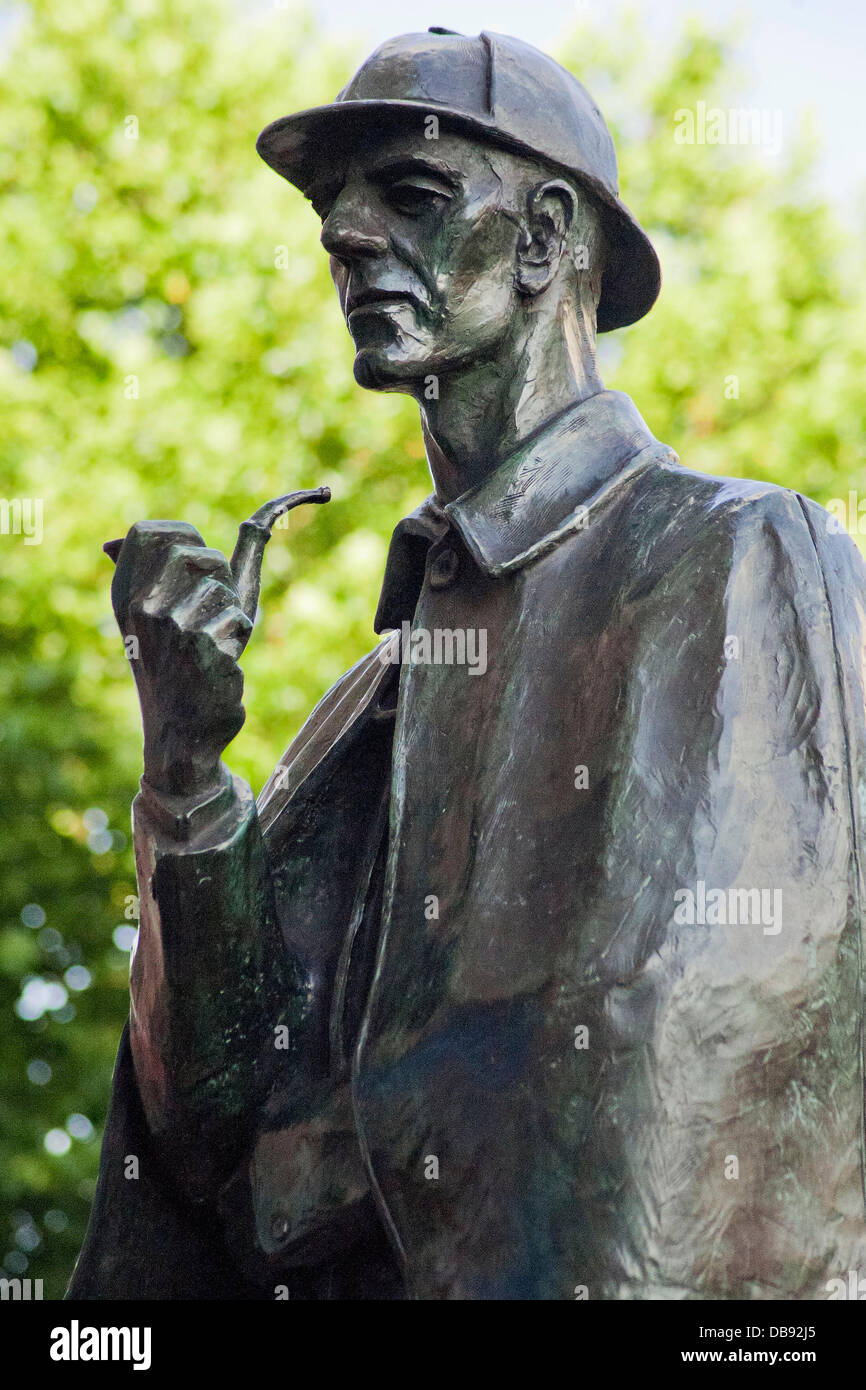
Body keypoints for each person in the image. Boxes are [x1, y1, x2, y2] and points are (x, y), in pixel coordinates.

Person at [70, 29, 866, 1301]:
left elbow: (685, 1044)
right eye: (336, 207)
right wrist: (184, 773)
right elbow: (201, 1131)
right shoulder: (365, 697)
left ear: (546, 237)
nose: (343, 235)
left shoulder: (725, 554)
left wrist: (323, 1160)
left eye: (411, 194)